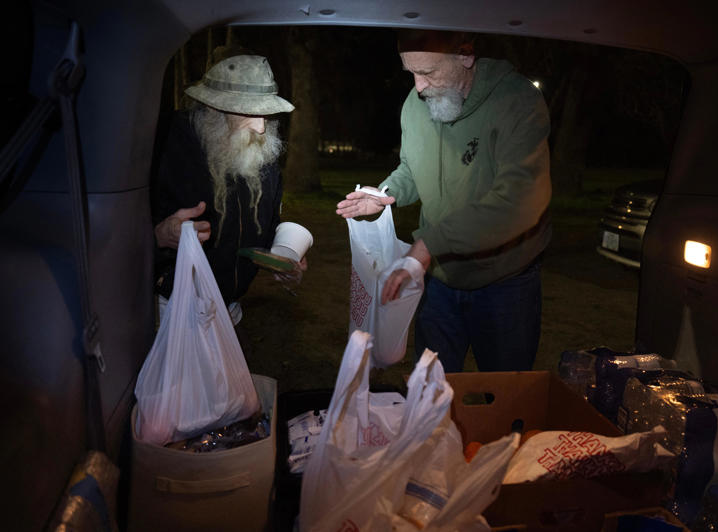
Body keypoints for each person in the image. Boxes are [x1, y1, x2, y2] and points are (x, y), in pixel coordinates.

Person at [336, 30, 552, 373]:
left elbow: (518, 200)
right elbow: (412, 167)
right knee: (430, 390)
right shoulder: (415, 105)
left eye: (429, 73)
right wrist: (384, 193)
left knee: (505, 396)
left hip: (504, 282)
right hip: (439, 279)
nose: (419, 87)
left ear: (466, 55)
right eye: (412, 74)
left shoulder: (517, 101)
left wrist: (427, 244)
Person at [152, 54, 304, 327]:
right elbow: (116, 234)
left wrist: (284, 256)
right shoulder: (165, 145)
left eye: (266, 114)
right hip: (170, 309)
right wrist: (159, 235)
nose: (261, 128)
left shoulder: (264, 156)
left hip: (230, 310)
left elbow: (266, 229)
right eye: (248, 113)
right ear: (214, 109)